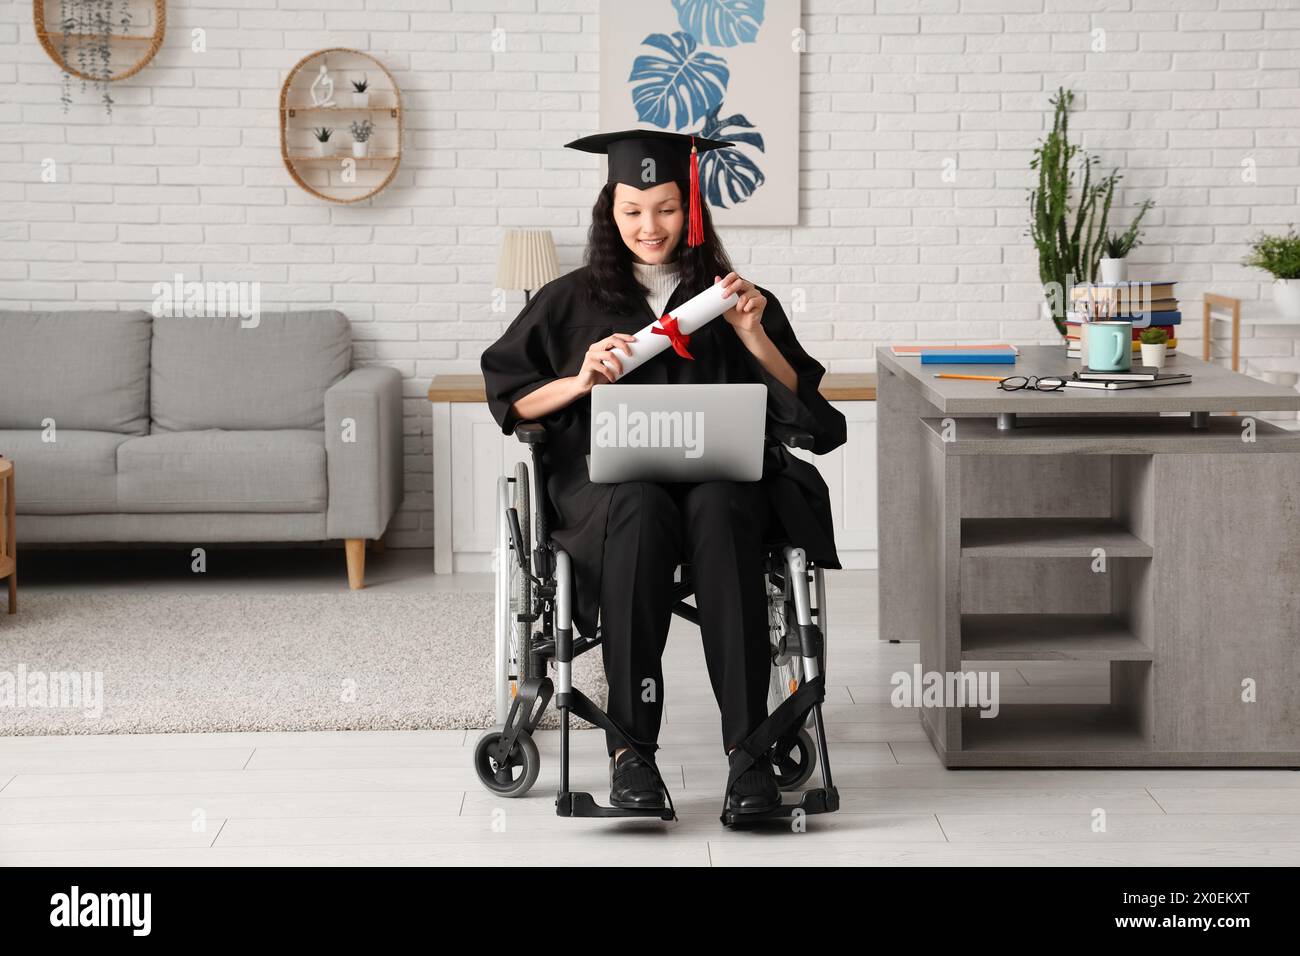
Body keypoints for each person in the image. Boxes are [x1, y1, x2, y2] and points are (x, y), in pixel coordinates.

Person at [481, 129, 847, 817]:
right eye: (633, 210)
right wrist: (580, 377)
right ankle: (631, 756)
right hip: (610, 493)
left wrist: (752, 336)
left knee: (720, 503)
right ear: (609, 214)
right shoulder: (568, 300)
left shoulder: (736, 299)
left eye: (668, 208)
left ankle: (749, 756)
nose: (651, 227)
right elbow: (511, 397)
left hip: (721, 485)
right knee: (642, 503)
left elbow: (815, 418)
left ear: (693, 211)